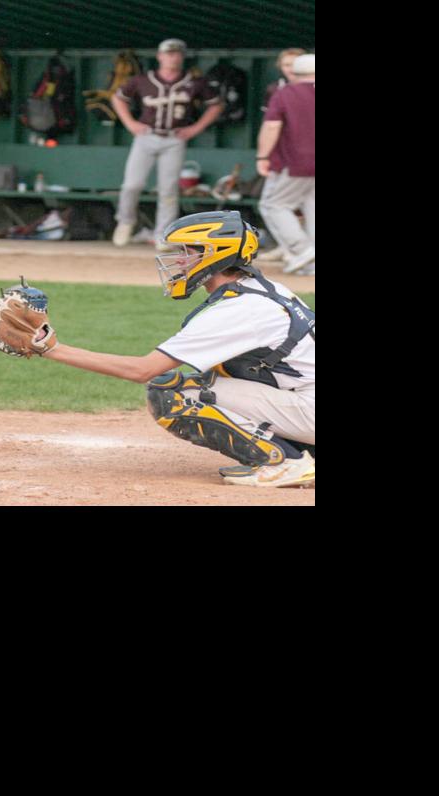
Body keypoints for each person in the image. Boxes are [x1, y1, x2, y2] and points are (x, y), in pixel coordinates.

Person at [22, 211, 314, 488]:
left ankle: (283, 462)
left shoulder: (238, 309)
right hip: (305, 402)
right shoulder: (262, 289)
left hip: (308, 408)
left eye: (188, 252)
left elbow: (143, 370)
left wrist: (52, 349)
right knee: (215, 372)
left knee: (171, 392)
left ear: (215, 254)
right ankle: (304, 454)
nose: (178, 260)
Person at [110, 38, 224, 249]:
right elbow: (118, 98)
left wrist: (195, 128)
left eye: (177, 54)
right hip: (146, 135)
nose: (173, 57)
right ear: (160, 56)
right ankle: (125, 221)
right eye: (169, 53)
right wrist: (129, 123)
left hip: (174, 138)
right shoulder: (143, 79)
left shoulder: (194, 81)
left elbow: (216, 105)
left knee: (168, 189)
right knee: (132, 184)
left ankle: (163, 233)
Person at [255, 54, 315, 275]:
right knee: (312, 205)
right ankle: (310, 263)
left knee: (274, 205)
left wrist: (263, 156)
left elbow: (271, 126)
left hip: (298, 160)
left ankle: (302, 249)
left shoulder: (286, 93)